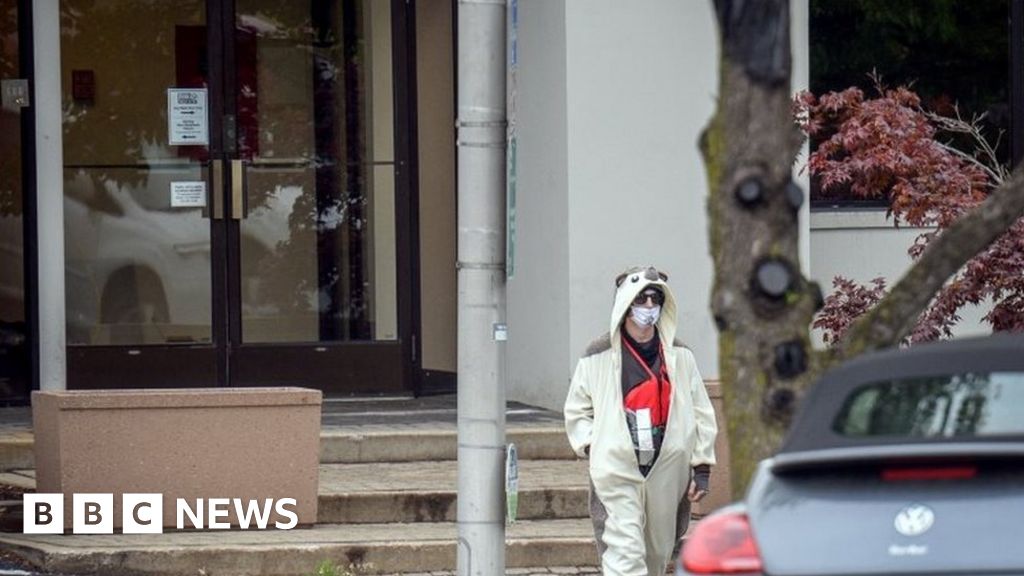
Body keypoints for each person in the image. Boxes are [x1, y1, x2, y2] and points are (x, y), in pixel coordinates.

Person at [564, 265, 718, 576]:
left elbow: (701, 412)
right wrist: (596, 445)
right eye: (641, 298)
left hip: (667, 467)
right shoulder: (598, 354)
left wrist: (701, 466)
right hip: (618, 466)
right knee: (624, 551)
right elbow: (577, 408)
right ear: (626, 302)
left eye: (655, 299)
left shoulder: (679, 355)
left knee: (657, 552)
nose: (649, 306)